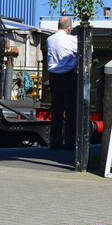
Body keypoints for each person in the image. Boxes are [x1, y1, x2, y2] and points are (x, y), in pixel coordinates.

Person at [46, 17, 79, 152]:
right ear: (69, 28)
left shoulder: (50, 39)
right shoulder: (70, 39)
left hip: (54, 77)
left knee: (57, 110)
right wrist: (76, 40)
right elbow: (89, 50)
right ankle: (69, 141)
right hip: (68, 76)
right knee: (70, 111)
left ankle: (55, 141)